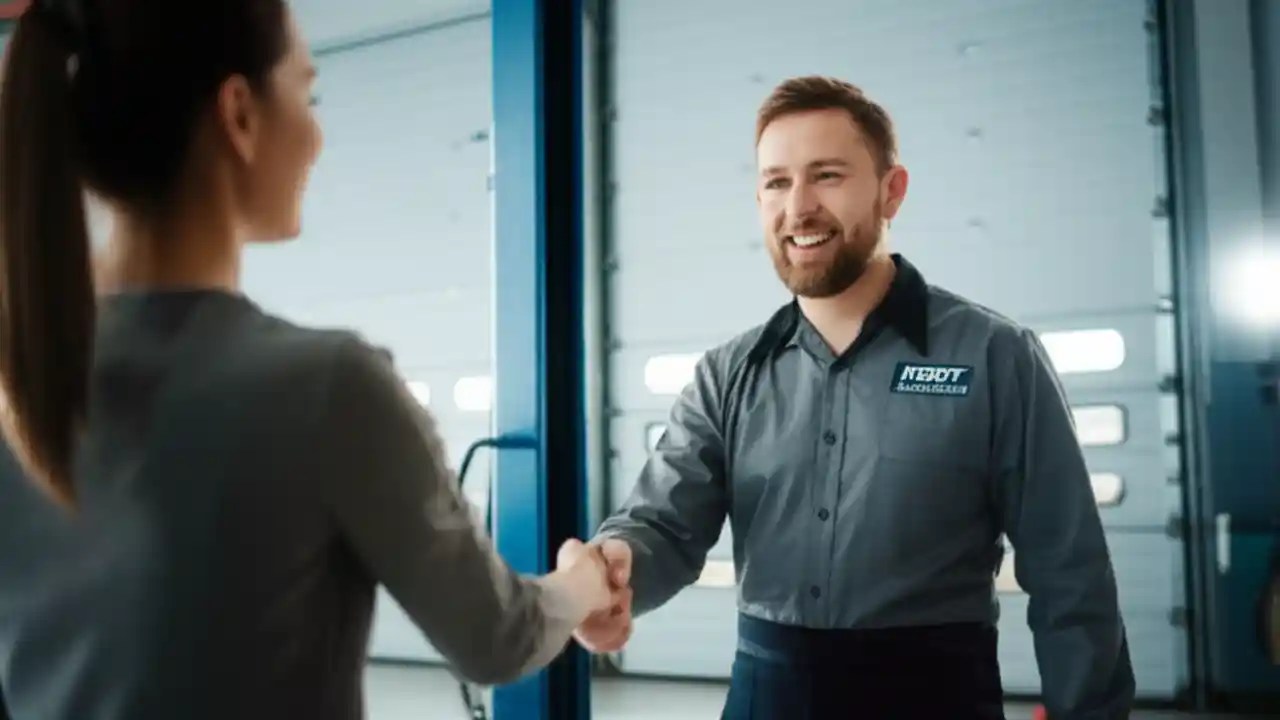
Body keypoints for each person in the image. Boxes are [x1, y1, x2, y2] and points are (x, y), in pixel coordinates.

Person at [0, 2, 615, 719]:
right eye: (306, 92)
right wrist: (580, 581)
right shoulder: (328, 387)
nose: (318, 137)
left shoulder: (22, 385)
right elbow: (496, 635)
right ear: (239, 114)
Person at [578, 76, 1136, 719]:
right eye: (776, 181)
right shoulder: (726, 375)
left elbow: (1070, 573)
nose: (799, 207)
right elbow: (663, 526)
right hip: (767, 699)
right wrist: (615, 571)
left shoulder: (994, 357)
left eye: (828, 176)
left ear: (891, 191)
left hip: (934, 699)